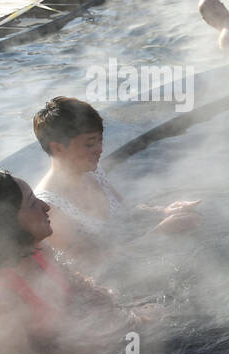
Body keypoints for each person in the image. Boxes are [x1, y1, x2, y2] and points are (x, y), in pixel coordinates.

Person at [0, 172, 161, 354]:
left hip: (96, 351)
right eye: (32, 203)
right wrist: (117, 336)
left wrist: (125, 314)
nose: (45, 206)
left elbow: (78, 285)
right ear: (5, 224)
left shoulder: (35, 249)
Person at [32, 97, 200, 270]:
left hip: (131, 256)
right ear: (58, 148)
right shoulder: (48, 207)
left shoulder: (92, 172)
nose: (100, 149)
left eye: (100, 140)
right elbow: (88, 263)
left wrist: (163, 211)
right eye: (90, 144)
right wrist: (159, 233)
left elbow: (125, 212)